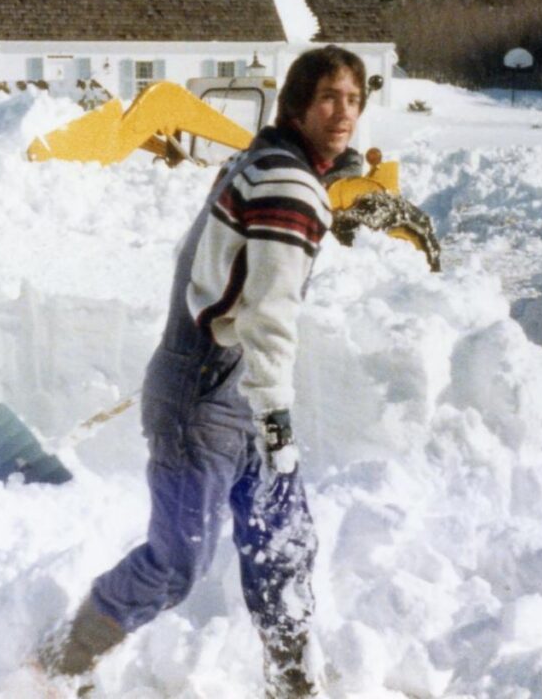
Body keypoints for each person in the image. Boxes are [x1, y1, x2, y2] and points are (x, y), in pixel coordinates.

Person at [37, 45, 368, 698]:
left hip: (226, 384)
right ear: (297, 105)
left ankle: (294, 685)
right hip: (209, 394)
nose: (344, 113)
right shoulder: (288, 184)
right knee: (177, 562)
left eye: (354, 100)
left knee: (283, 543)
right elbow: (270, 314)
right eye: (329, 97)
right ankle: (60, 660)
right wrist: (275, 421)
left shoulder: (263, 163)